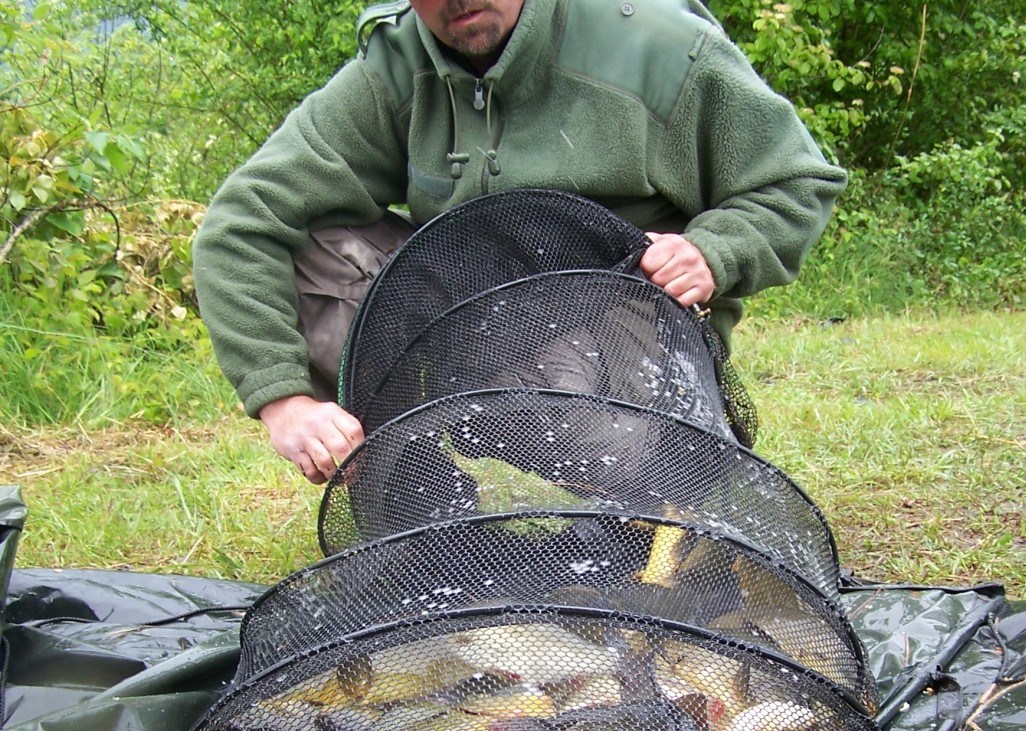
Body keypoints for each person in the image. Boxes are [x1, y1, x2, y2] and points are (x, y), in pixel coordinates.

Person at [193, 0, 847, 484]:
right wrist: (285, 403)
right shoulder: (392, 67)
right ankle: (407, 484)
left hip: (620, 329)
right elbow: (241, 223)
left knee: (618, 449)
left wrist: (713, 250)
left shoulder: (659, 47)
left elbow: (796, 182)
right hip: (467, 319)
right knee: (313, 247)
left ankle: (666, 474)